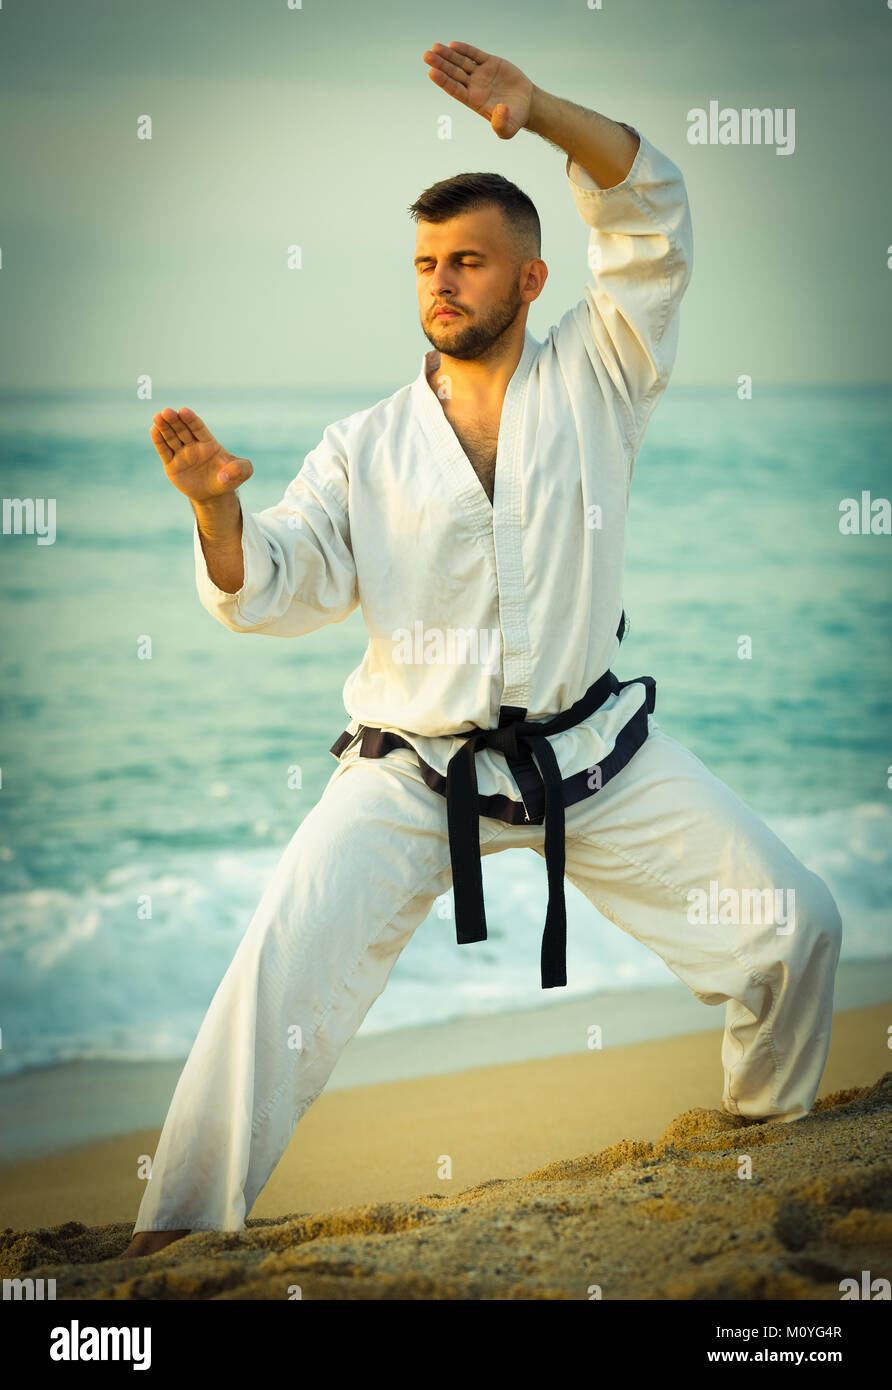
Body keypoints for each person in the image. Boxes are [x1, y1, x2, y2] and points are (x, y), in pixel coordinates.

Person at [121, 41, 842, 1258]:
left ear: (531, 274)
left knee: (795, 926)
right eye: (423, 265)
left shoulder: (604, 371)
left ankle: (760, 1150)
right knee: (270, 987)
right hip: (410, 773)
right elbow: (278, 584)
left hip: (590, 758)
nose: (440, 283)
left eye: (466, 261)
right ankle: (173, 1238)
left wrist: (540, 113)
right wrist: (216, 511)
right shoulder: (364, 446)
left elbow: (653, 205)